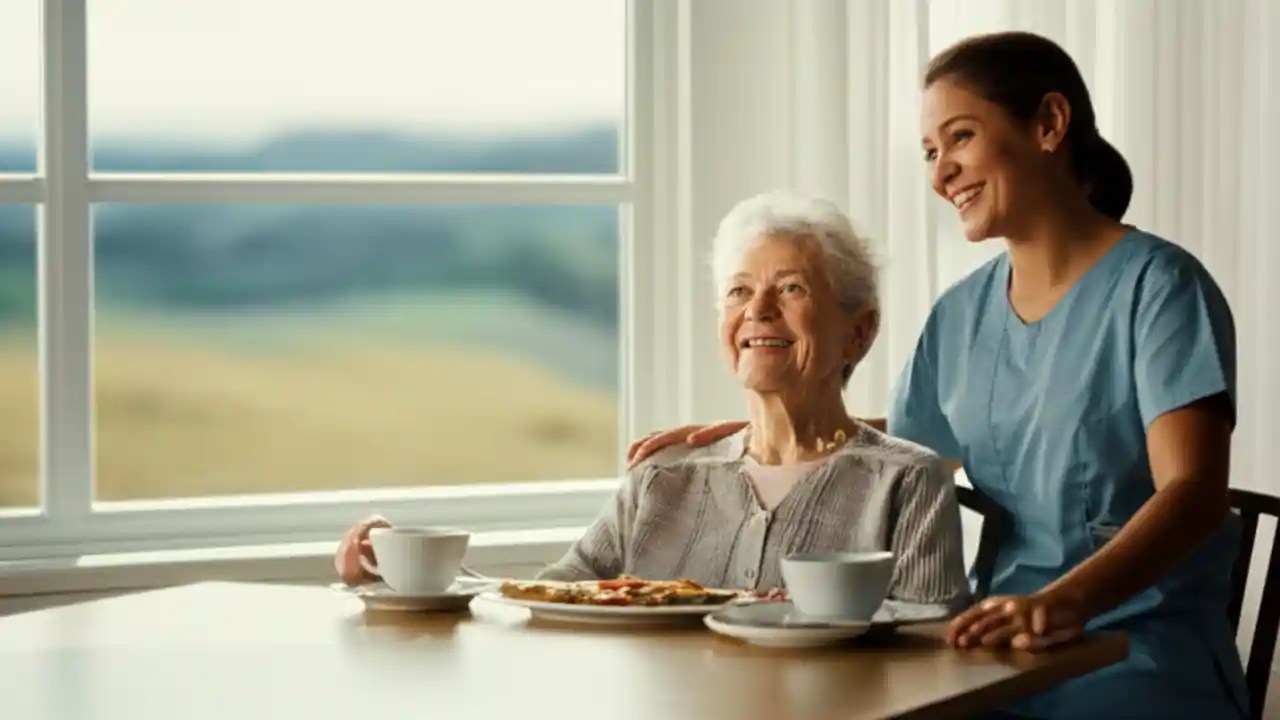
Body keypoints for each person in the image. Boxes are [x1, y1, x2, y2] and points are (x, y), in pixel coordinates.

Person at [628, 32, 1248, 719]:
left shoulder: (1160, 289)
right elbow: (924, 441)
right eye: (930, 152)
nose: (940, 174)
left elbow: (1193, 489)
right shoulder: (961, 314)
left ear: (1048, 124)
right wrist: (780, 424)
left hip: (1135, 656)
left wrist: (1063, 601)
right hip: (992, 649)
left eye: (959, 139)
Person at [337, 192, 968, 607]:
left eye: (791, 288)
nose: (758, 310)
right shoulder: (662, 479)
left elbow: (929, 653)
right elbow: (539, 598)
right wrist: (404, 571)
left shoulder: (907, 482)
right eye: (738, 291)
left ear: (859, 329)